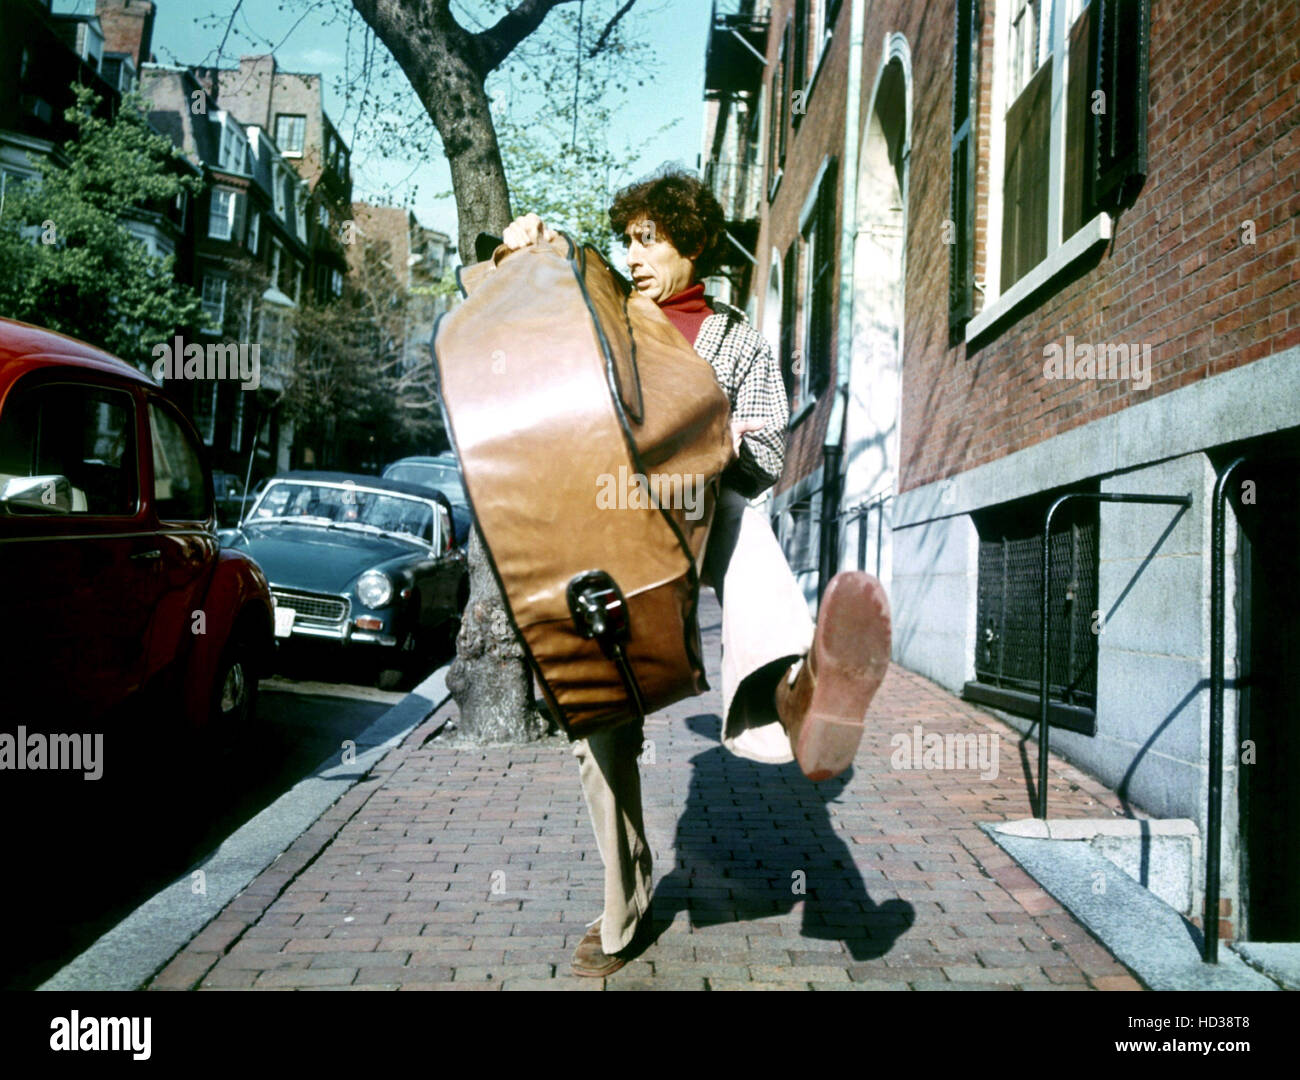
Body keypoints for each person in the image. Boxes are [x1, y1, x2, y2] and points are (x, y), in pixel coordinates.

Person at [498, 168, 892, 978]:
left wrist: (722, 442)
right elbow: (542, 315)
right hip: (606, 527)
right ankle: (625, 904)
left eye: (651, 240)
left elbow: (770, 460)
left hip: (701, 517)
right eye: (628, 241)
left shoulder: (737, 338)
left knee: (748, 532)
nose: (635, 256)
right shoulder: (604, 313)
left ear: (692, 244)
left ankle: (796, 692)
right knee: (599, 719)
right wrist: (529, 245)